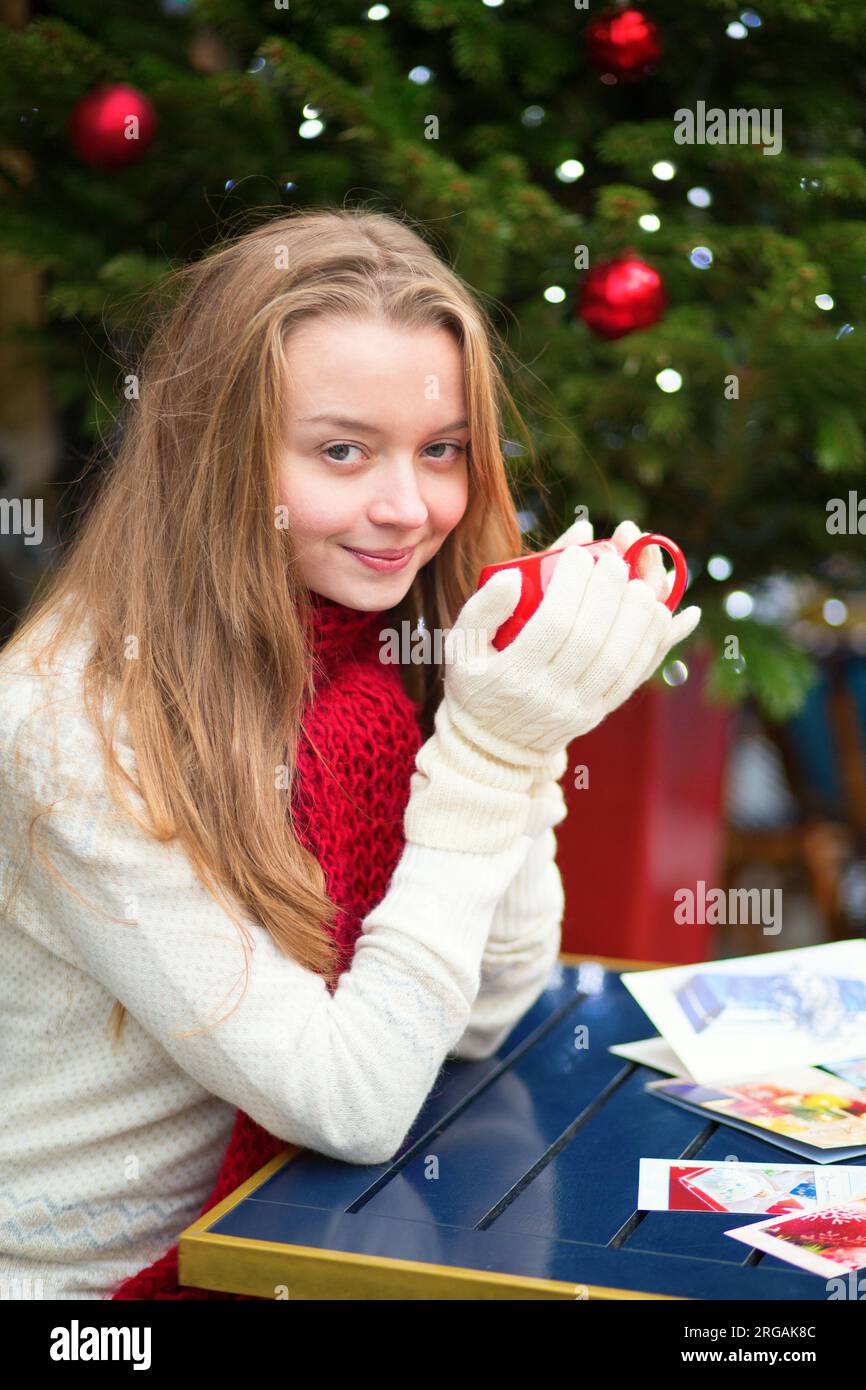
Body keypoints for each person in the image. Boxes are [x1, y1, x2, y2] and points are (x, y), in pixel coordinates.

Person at [0, 207, 700, 1300]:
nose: (405, 508)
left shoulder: (386, 637)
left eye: (440, 451)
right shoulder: (77, 722)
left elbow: (483, 1011)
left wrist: (518, 732)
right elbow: (354, 1104)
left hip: (299, 1232)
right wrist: (481, 753)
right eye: (340, 450)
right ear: (216, 456)